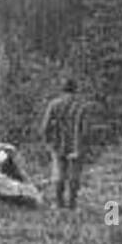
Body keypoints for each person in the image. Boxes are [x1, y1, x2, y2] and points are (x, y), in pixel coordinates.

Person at [40, 78, 89, 209]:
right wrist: (83, 146)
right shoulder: (81, 106)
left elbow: (45, 126)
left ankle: (58, 203)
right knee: (74, 175)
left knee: (58, 174)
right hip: (76, 146)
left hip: (57, 144)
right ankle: (72, 204)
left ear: (62, 89)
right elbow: (85, 130)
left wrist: (47, 143)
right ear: (76, 90)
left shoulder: (54, 104)